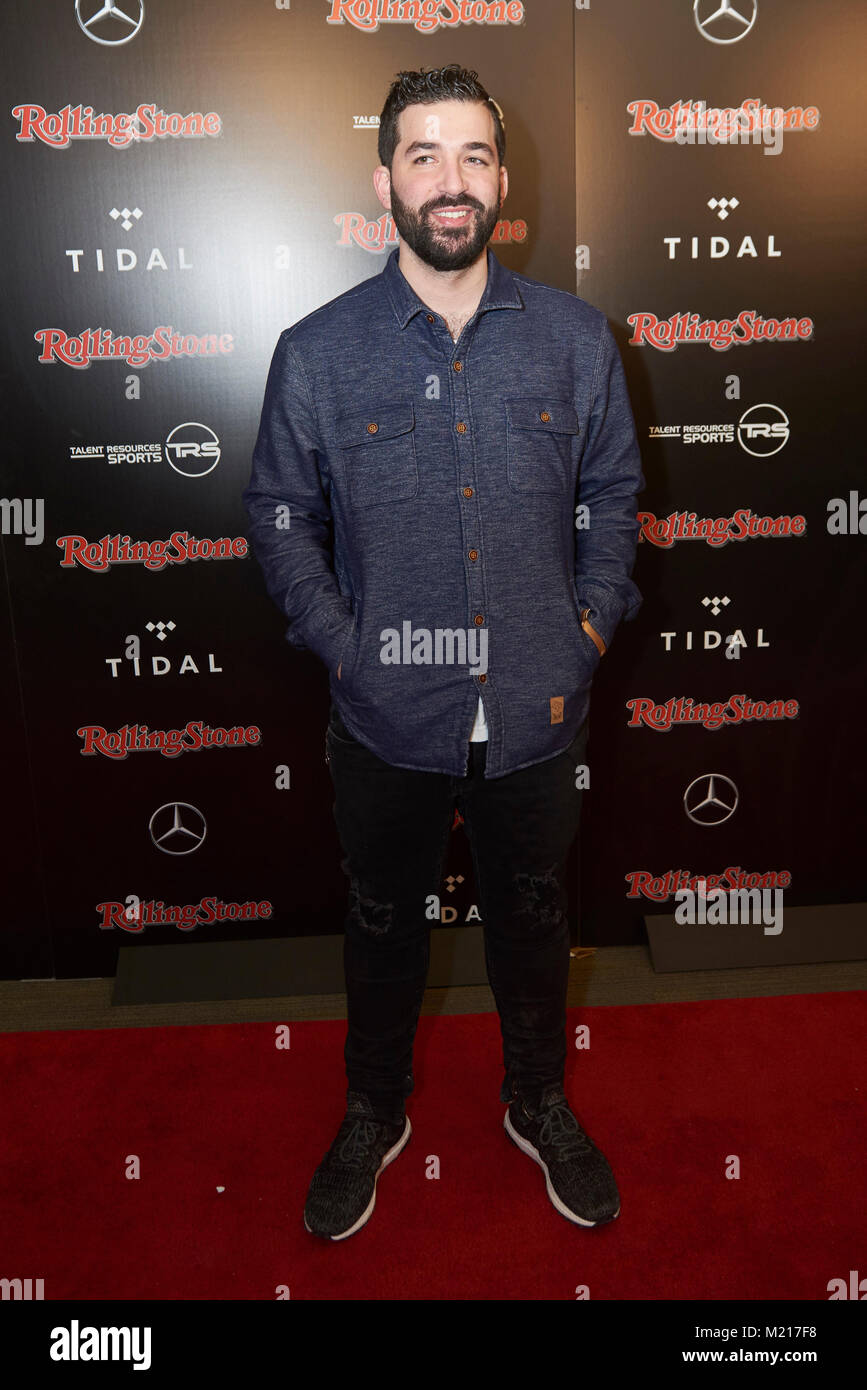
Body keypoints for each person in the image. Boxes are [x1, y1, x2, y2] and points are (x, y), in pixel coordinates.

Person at [243, 64, 644, 1242]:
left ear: (502, 181)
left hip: (537, 705)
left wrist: (586, 628)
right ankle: (375, 1108)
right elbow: (278, 513)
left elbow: (615, 496)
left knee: (532, 916)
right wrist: (345, 648)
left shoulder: (576, 341)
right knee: (381, 921)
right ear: (385, 180)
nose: (451, 181)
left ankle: (538, 1098)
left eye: (473, 155)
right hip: (385, 716)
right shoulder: (317, 352)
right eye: (425, 155)